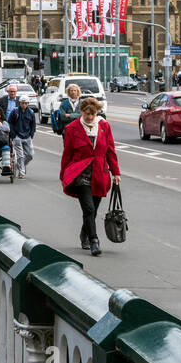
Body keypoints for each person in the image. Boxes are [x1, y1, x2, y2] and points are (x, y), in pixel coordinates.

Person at [58, 95, 121, 256]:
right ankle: (94, 240)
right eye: (87, 113)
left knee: (93, 209)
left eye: (93, 113)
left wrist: (116, 172)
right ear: (81, 112)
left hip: (100, 173)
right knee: (89, 208)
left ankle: (84, 233)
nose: (90, 116)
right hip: (80, 173)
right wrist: (63, 174)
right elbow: (67, 154)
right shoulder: (72, 128)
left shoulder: (104, 126)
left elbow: (110, 151)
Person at [8, 94, 37, 180]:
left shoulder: (31, 112)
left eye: (25, 103)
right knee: (20, 155)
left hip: (27, 136)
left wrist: (32, 134)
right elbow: (10, 123)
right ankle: (22, 172)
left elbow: (33, 124)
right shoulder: (15, 111)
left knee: (30, 155)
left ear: (28, 103)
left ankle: (20, 166)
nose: (24, 105)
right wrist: (13, 134)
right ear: (19, 103)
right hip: (17, 135)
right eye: (22, 103)